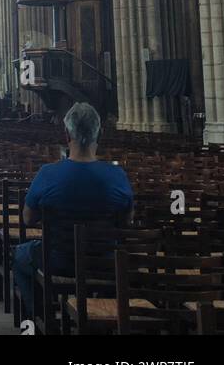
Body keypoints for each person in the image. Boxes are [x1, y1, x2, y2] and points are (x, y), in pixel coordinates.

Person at [12, 102, 133, 321]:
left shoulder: (48, 173)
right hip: (106, 261)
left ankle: (42, 319)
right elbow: (127, 222)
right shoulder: (117, 175)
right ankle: (103, 318)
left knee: (20, 255)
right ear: (100, 134)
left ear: (66, 134)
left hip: (58, 260)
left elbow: (28, 219)